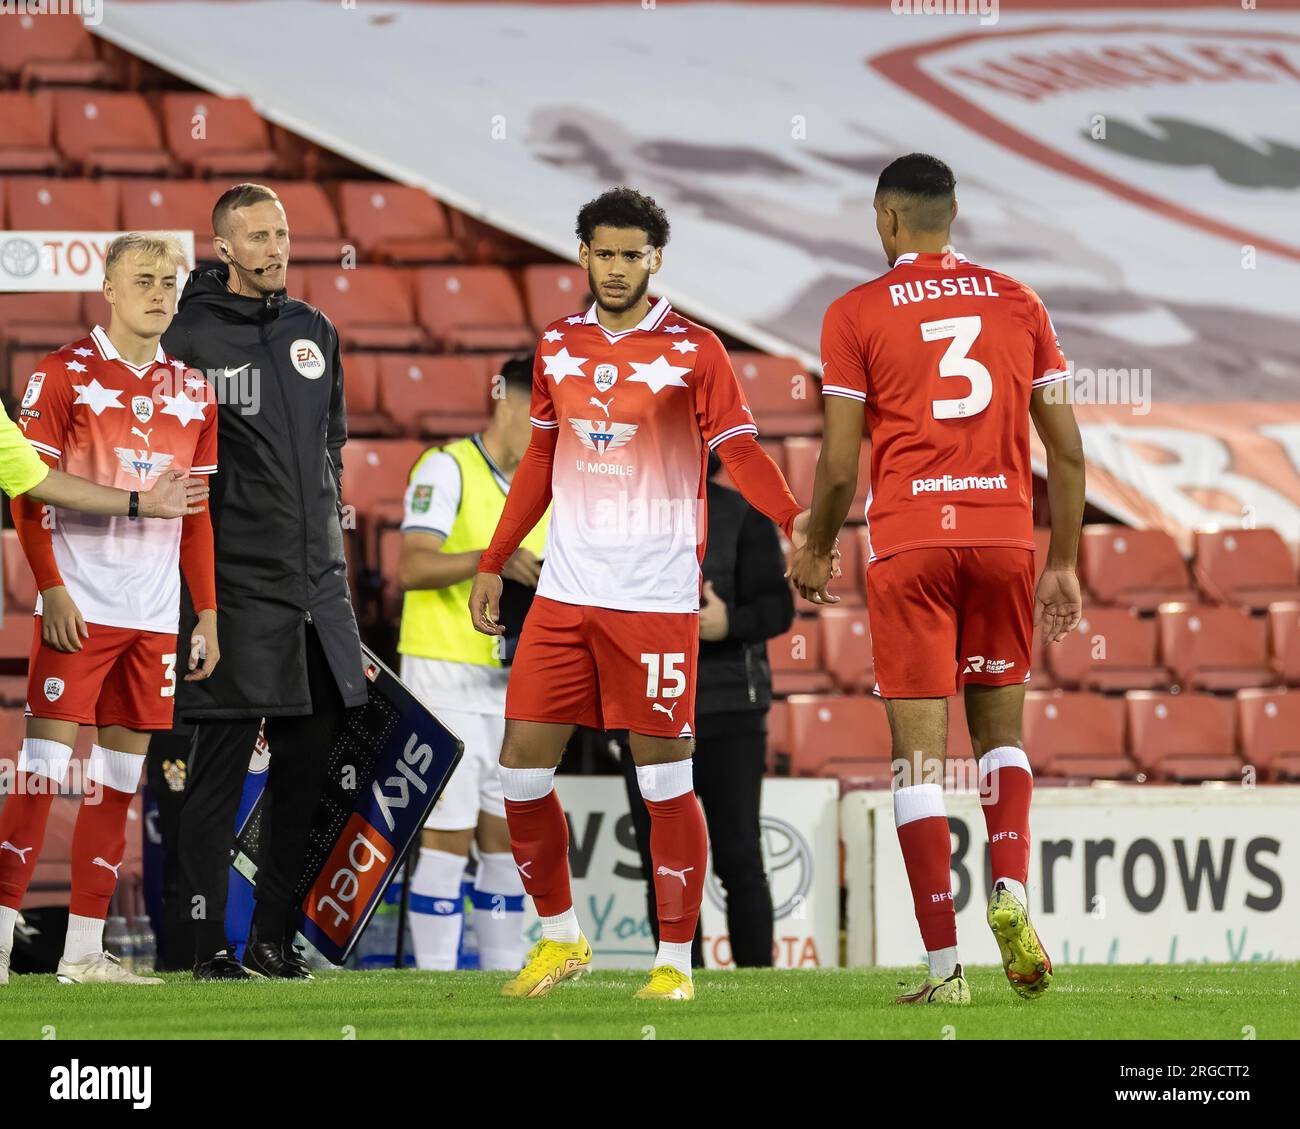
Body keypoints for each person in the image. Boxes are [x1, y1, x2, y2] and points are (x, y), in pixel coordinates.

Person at [468, 186, 823, 1003]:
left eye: (634, 253)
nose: (619, 265)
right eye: (605, 251)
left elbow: (740, 450)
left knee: (665, 781)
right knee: (520, 772)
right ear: (582, 254)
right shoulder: (556, 345)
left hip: (657, 601)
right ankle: (561, 939)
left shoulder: (696, 351)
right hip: (565, 594)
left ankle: (675, 961)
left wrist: (795, 519)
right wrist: (495, 556)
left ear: (655, 259)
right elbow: (537, 464)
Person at [788, 153, 1086, 1004]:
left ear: (886, 219)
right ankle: (1013, 894)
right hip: (1003, 538)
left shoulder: (853, 312)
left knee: (918, 762)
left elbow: (842, 462)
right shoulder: (1020, 301)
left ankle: (944, 971)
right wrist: (1061, 561)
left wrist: (814, 544)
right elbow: (1065, 451)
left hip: (912, 544)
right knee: (1003, 739)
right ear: (952, 215)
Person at [162, 183, 368, 981]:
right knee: (215, 774)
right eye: (256, 236)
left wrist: (334, 578)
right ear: (223, 247)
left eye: (280, 233)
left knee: (306, 771)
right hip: (233, 590)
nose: (274, 247)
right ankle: (207, 945)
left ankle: (274, 941)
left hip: (317, 596)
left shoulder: (314, 329)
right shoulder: (186, 339)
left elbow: (332, 453)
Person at [0, 234, 218, 987]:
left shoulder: (193, 388)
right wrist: (51, 587)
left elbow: (196, 515)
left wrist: (208, 613)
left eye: (169, 280)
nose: (160, 292)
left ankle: (83, 953)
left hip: (155, 618)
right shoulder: (61, 374)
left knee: (119, 783)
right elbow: (27, 489)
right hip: (80, 605)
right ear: (110, 289)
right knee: (41, 774)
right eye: (144, 280)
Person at [397, 355, 545, 972]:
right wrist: (491, 558)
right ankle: (437, 983)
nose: (547, 431)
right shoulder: (448, 467)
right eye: (541, 417)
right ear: (506, 403)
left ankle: (504, 978)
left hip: (514, 685)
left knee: (506, 842)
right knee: (447, 837)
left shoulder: (550, 484)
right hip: (444, 677)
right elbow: (412, 565)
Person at [619, 447, 791, 968]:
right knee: (665, 859)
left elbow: (779, 609)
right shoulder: (627, 516)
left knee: (738, 855)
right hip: (653, 708)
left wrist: (727, 624)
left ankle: (756, 983)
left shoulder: (744, 516)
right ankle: (676, 972)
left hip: (730, 712)